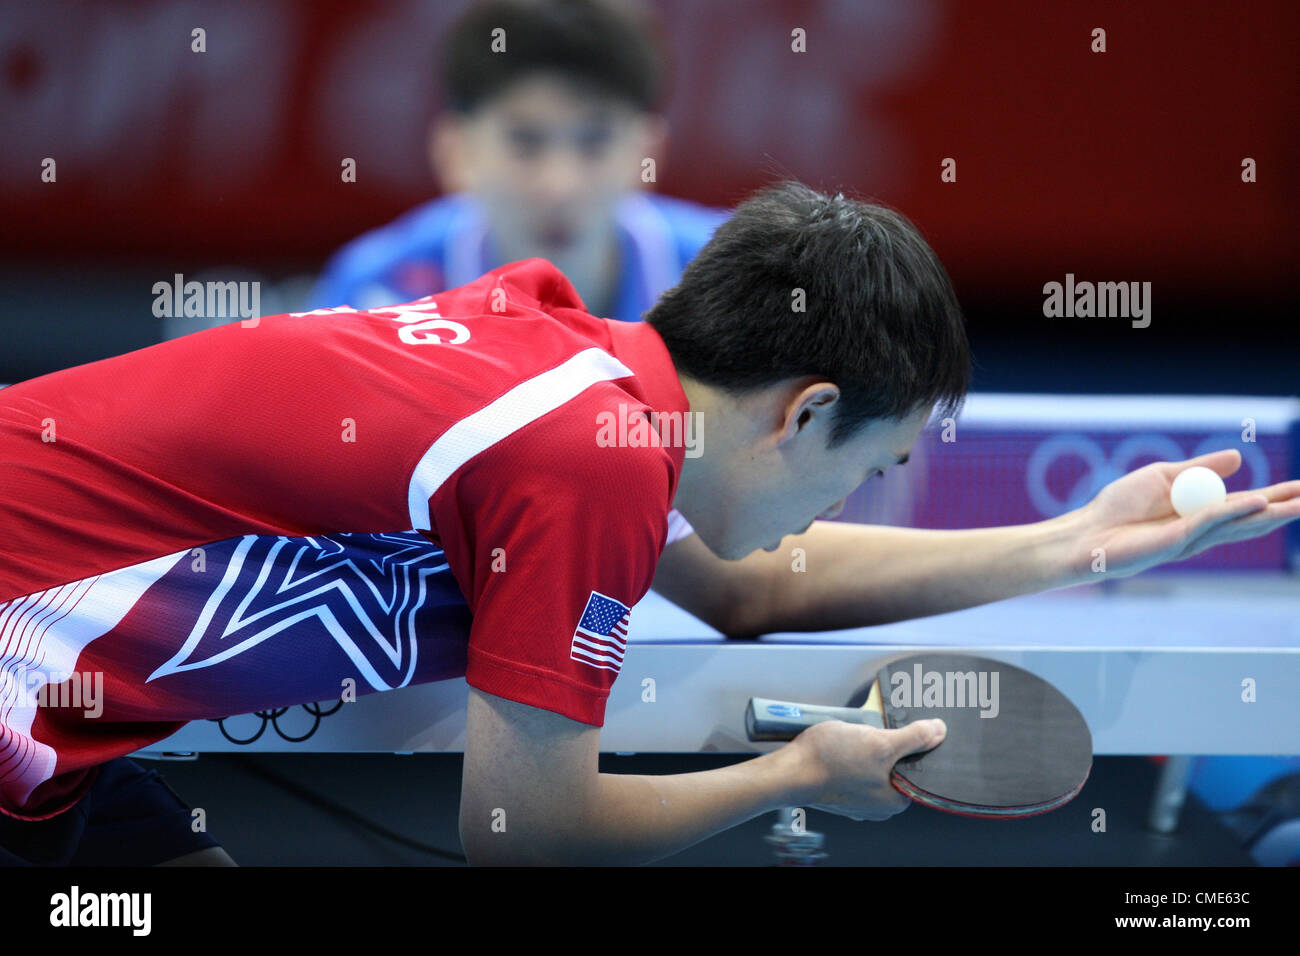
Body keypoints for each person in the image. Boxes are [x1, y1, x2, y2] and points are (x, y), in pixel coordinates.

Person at [1, 182, 1295, 866]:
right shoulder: (584, 461)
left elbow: (755, 588)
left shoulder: (577, 370)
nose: (846, 502)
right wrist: (799, 776)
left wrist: (1080, 545)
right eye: (869, 465)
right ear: (806, 413)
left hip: (72, 742)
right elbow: (526, 835)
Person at [308, 0, 727, 322]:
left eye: (594, 143)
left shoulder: (729, 284)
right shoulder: (376, 292)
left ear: (646, 153)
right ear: (457, 152)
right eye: (524, 143)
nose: (559, 184)